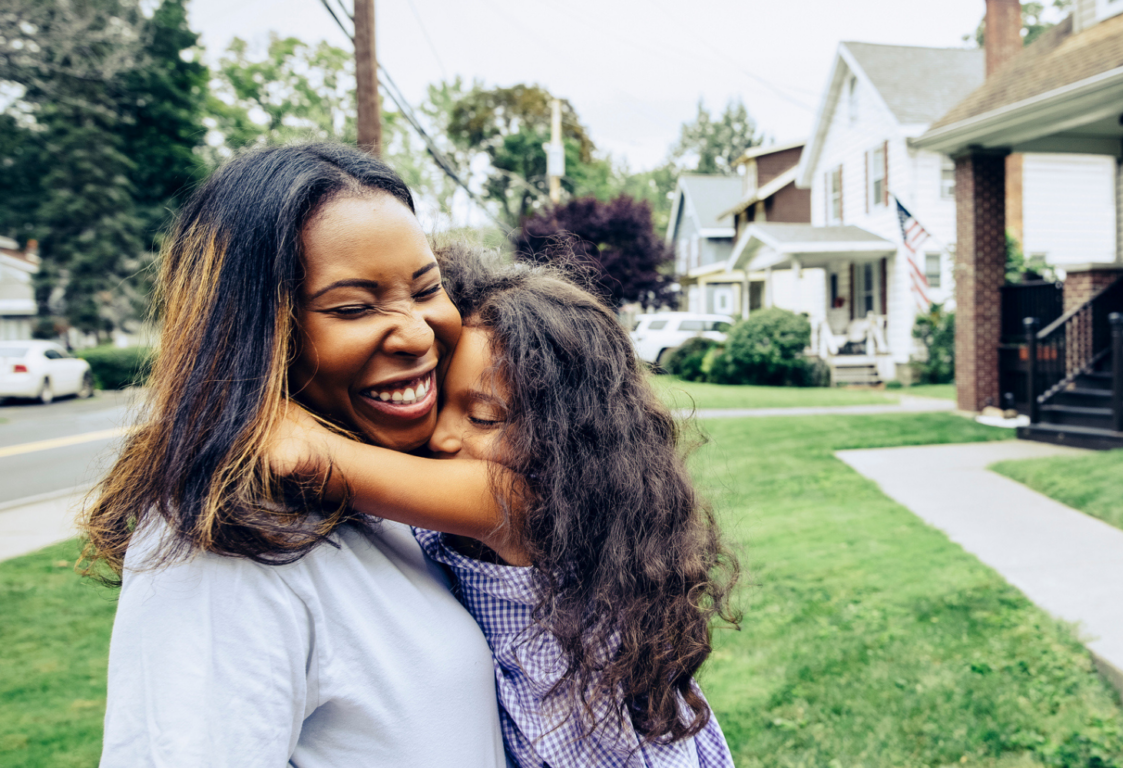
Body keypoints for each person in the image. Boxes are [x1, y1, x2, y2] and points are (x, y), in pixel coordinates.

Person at [82, 144, 507, 767]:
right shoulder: (221, 546)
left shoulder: (387, 481)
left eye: (426, 289)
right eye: (353, 308)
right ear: (256, 333)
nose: (418, 333)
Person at [272, 246, 740, 767]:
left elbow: (302, 455)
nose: (443, 435)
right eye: (439, 400)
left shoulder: (518, 503)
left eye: (483, 418)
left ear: (564, 444)